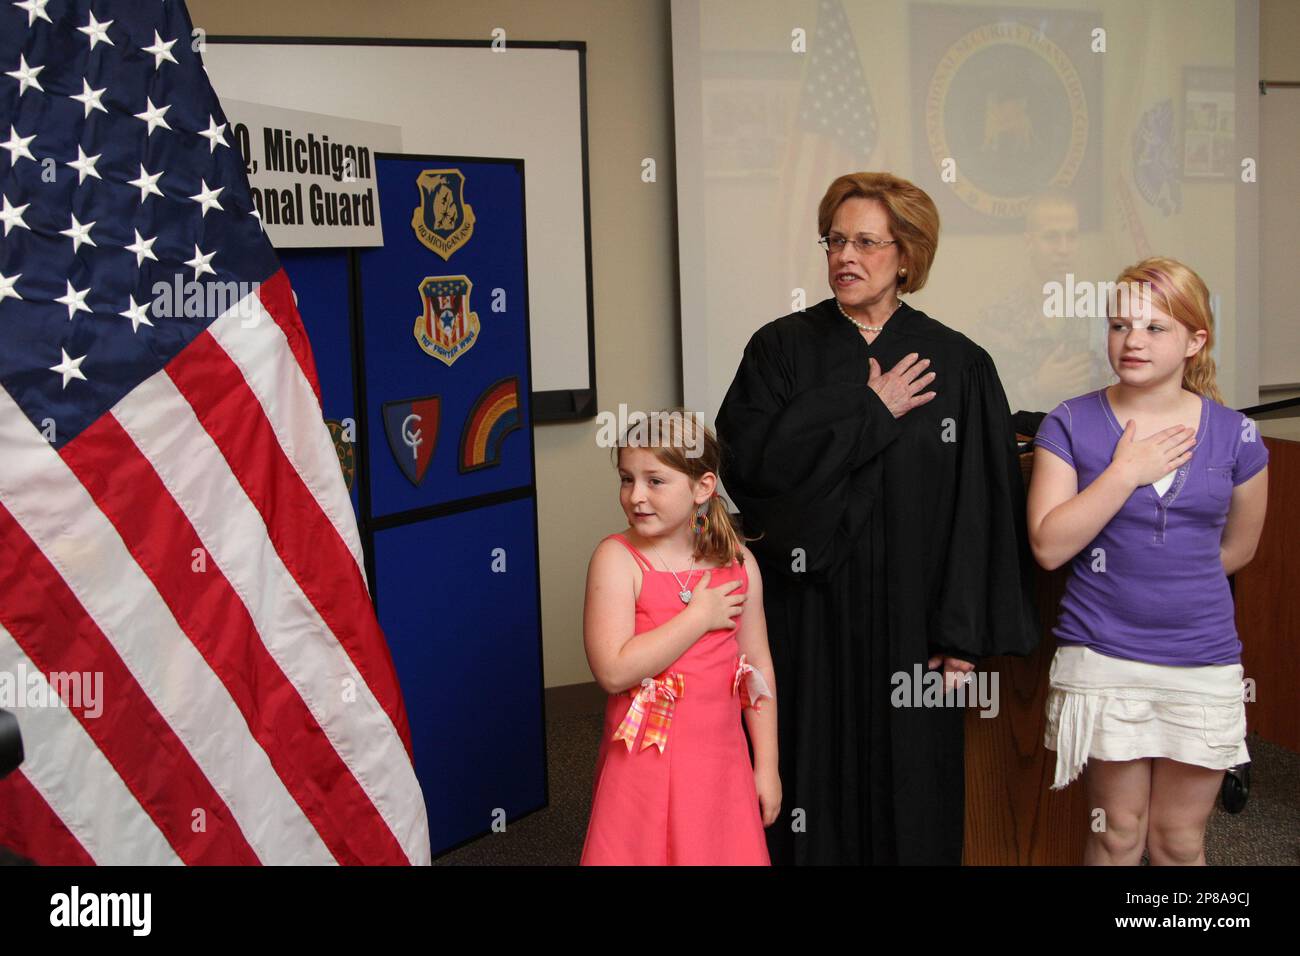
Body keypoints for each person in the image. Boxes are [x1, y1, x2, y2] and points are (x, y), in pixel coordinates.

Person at [715, 172, 1039, 865]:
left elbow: (979, 507)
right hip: (809, 617)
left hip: (913, 625)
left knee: (913, 797)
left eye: (865, 241)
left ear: (907, 254)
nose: (844, 257)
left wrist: (961, 632)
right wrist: (866, 412)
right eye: (835, 240)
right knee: (807, 786)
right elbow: (753, 467)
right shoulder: (781, 350)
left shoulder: (957, 364)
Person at [1027, 257, 1269, 865]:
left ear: (1195, 340)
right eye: (1119, 326)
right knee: (1118, 833)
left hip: (1203, 660)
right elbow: (1050, 545)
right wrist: (1125, 473)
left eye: (1155, 328)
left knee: (1178, 840)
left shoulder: (1236, 435)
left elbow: (1237, 550)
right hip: (1104, 656)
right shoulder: (1072, 421)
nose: (1131, 341)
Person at [580, 411, 779, 865]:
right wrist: (699, 617)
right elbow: (613, 671)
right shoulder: (618, 559)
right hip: (641, 767)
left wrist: (766, 765)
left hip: (719, 765)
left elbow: (758, 669)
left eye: (655, 481)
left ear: (702, 488)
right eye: (627, 480)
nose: (636, 496)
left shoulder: (739, 564)